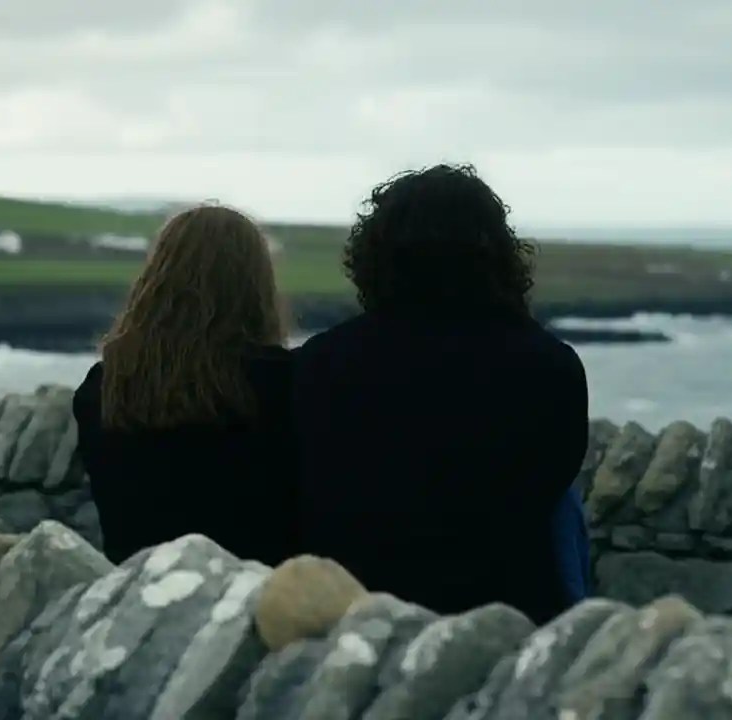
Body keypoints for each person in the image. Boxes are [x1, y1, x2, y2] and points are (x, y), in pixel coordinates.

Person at [292, 164, 590, 624]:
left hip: (361, 617)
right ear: (497, 257)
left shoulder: (320, 363)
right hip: (510, 618)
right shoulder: (551, 366)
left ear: (376, 257)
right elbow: (551, 478)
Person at [72, 205, 298, 566]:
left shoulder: (104, 388)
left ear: (157, 279)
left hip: (140, 588)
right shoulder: (289, 383)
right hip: (260, 590)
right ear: (257, 286)